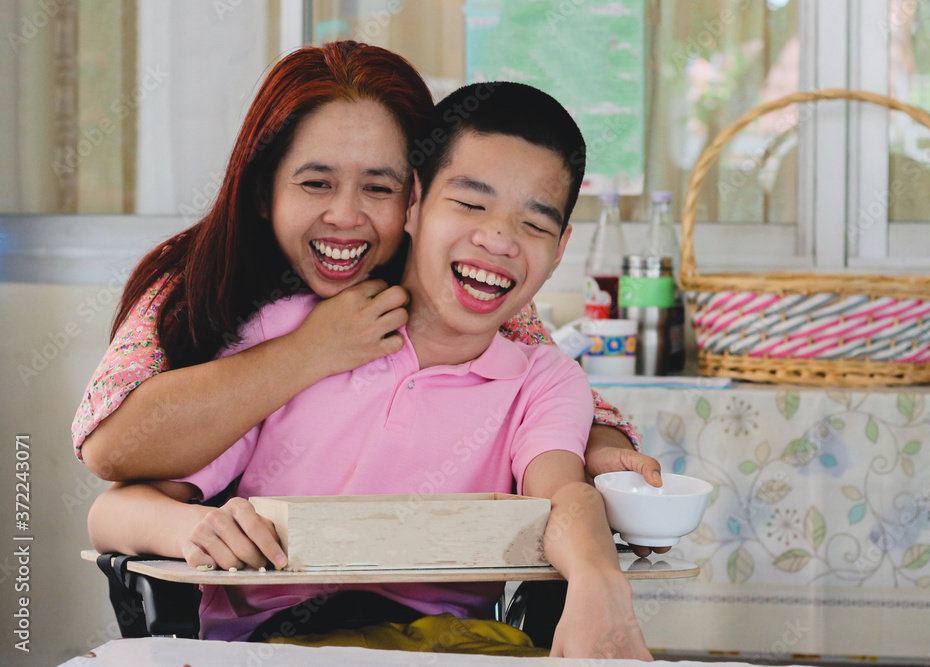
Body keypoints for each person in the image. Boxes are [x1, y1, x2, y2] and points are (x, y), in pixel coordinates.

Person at [89, 80, 653, 660]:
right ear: (417, 206)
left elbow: (563, 494)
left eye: (534, 224)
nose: (498, 238)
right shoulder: (284, 334)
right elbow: (116, 502)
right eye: (470, 203)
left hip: (450, 648)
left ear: (560, 250)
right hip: (275, 647)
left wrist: (598, 580)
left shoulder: (544, 378)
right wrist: (188, 529)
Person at [70, 42, 664, 517]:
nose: (347, 217)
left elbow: (556, 393)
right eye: (315, 183)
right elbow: (109, 448)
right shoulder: (198, 272)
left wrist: (603, 451)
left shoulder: (452, 284)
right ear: (262, 188)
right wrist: (309, 352)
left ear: (416, 199)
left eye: (379, 188)